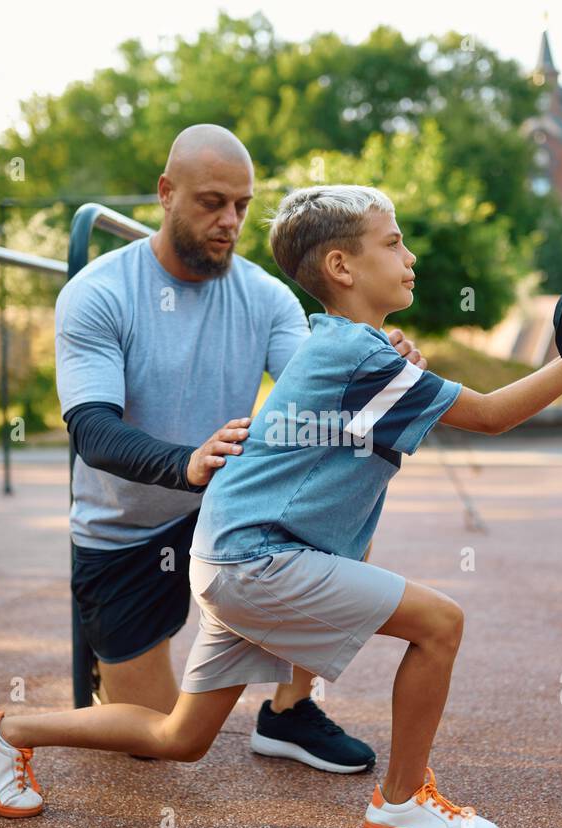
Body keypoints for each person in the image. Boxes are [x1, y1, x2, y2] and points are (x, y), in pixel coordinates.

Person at [0, 184, 562, 828]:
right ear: (342, 266)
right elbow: (493, 416)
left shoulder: (345, 346)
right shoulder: (356, 354)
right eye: (394, 242)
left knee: (182, 738)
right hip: (257, 560)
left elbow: (389, 418)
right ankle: (403, 803)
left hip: (229, 558)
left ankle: (5, 728)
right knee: (441, 625)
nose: (410, 257)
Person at [57, 124, 424, 774]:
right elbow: (91, 429)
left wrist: (378, 367)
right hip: (125, 532)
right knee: (158, 743)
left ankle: (288, 712)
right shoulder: (99, 292)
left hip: (227, 510)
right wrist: (184, 462)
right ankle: (98, 668)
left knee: (348, 484)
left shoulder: (265, 295)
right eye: (211, 202)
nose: (230, 220)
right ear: (166, 193)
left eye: (242, 205)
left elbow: (325, 400)